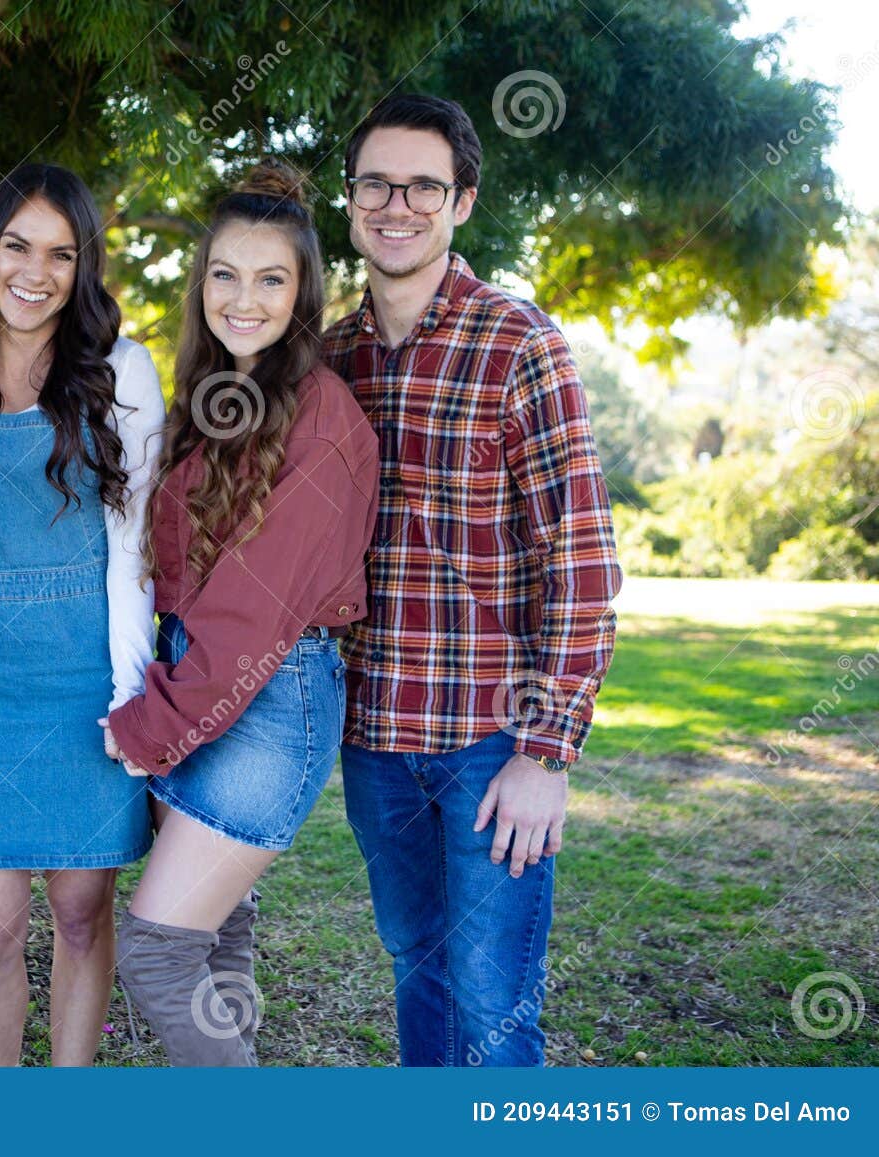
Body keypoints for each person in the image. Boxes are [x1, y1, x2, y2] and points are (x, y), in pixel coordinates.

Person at [322, 94, 622, 1066]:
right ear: (351, 196)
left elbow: (578, 557)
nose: (395, 203)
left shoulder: (519, 343)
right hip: (373, 742)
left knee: (494, 1006)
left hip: (494, 742)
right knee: (419, 968)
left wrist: (547, 751)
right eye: (375, 182)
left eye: (422, 185)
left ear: (462, 201)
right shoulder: (326, 356)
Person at [103, 160, 379, 1066]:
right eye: (225, 273)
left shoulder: (323, 414)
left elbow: (251, 610)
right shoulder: (207, 401)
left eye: (271, 278)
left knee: (155, 952)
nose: (244, 297)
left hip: (269, 695)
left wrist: (153, 724)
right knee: (218, 944)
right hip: (210, 678)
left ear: (302, 293)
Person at [0, 163, 163, 1065]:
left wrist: (135, 699)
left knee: (76, 911)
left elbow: (140, 547)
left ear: (83, 267)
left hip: (84, 684)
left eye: (61, 253)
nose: (36, 270)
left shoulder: (119, 371)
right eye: (17, 245)